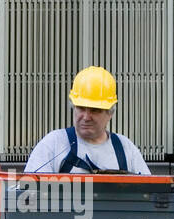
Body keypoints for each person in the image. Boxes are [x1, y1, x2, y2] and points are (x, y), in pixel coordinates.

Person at [24, 66, 152, 175]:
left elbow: (149, 196)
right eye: (80, 108)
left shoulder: (125, 149)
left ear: (110, 113)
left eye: (94, 110)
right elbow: (30, 194)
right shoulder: (54, 144)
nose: (86, 117)